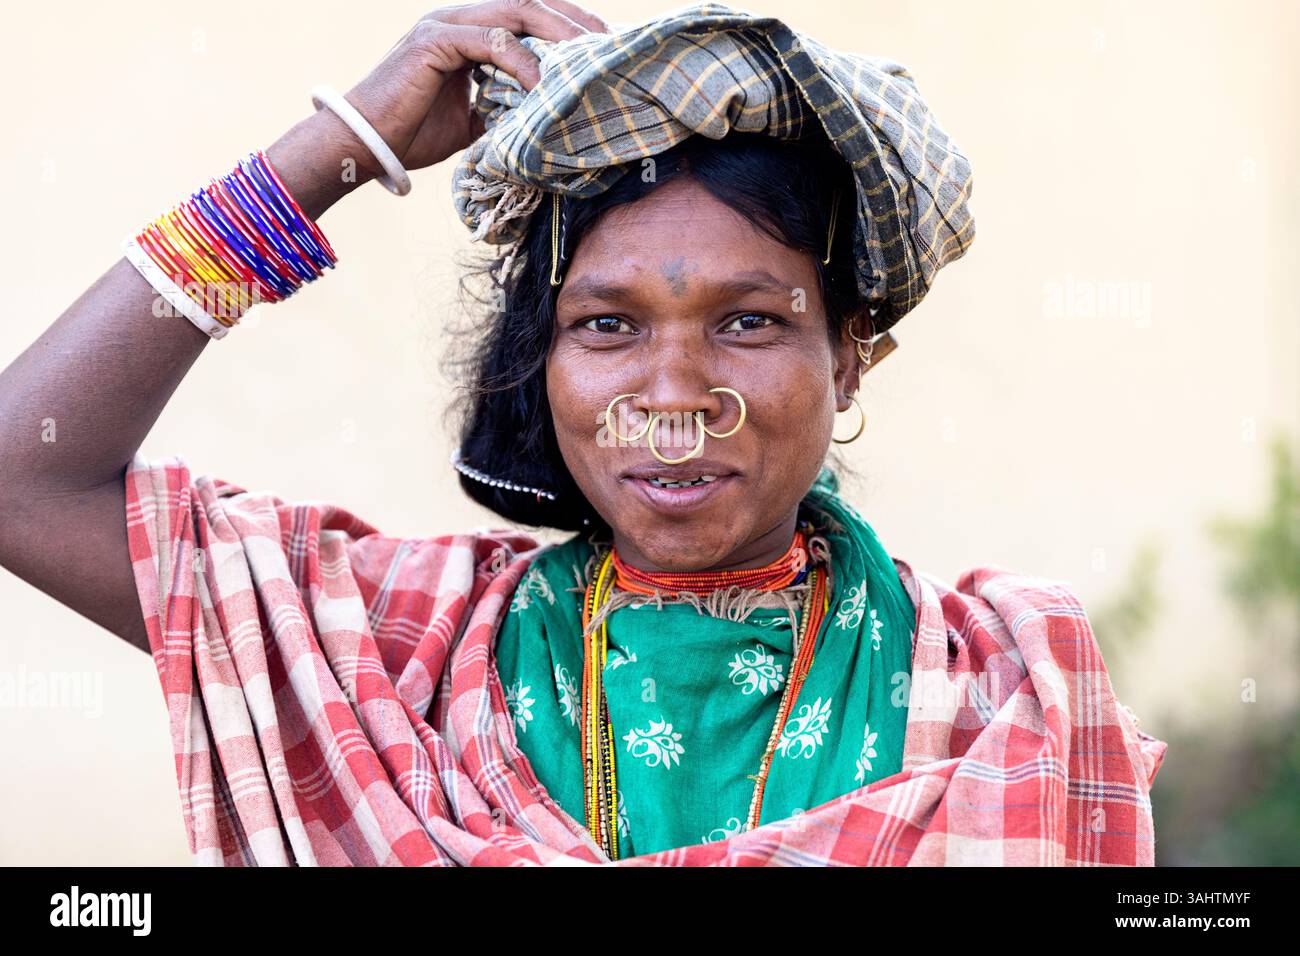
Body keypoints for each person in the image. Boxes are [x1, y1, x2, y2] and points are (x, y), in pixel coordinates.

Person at [0, 1, 1165, 865]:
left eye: (749, 320)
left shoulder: (1002, 690)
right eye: (606, 322)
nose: (673, 390)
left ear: (849, 348)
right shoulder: (405, 654)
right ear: (539, 358)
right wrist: (341, 148)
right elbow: (20, 475)